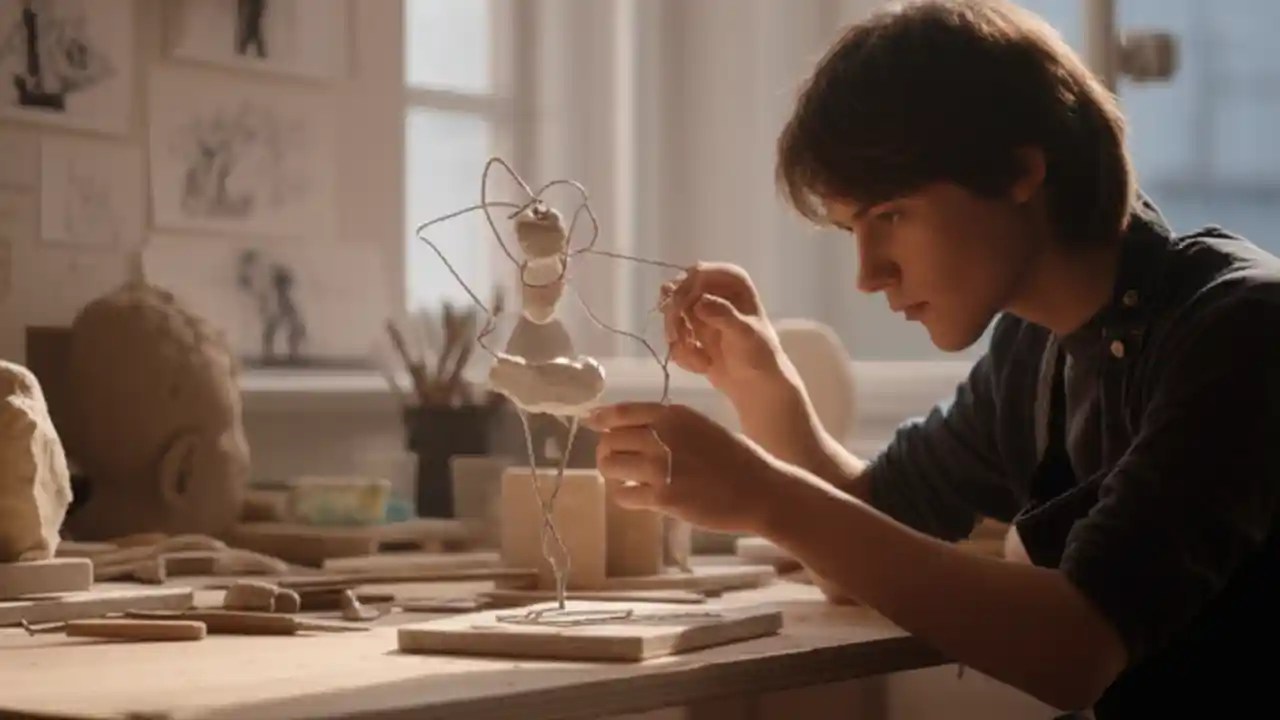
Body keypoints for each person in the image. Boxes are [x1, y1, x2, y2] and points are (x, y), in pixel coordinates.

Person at [585, 0, 1280, 716]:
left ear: (1019, 170)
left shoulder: (1241, 329)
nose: (868, 273)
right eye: (852, 227)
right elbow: (872, 542)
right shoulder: (1034, 341)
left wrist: (766, 495)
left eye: (891, 216)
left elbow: (1077, 647)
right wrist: (762, 385)